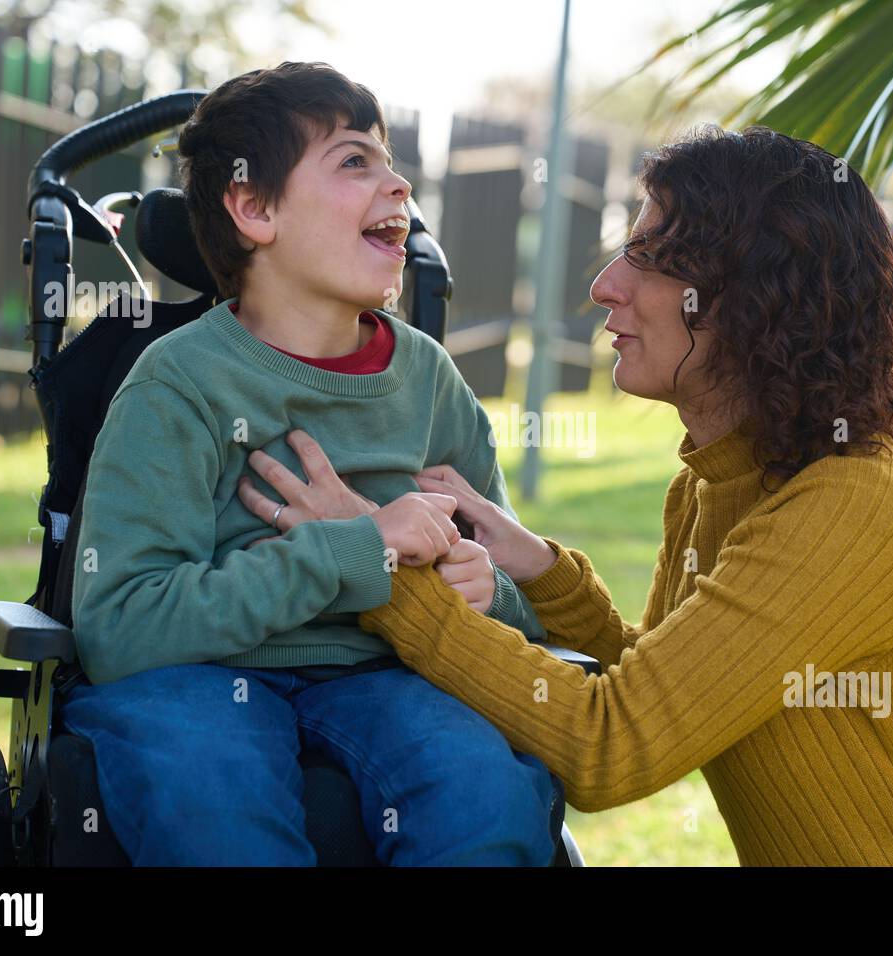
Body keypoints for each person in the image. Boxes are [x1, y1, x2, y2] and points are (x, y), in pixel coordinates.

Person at [247, 125, 893, 866]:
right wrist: (540, 571)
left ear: (753, 297)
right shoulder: (712, 486)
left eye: (648, 259)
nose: (605, 285)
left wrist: (376, 566)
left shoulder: (853, 505)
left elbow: (613, 745)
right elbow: (663, 680)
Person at [59, 61, 562, 866]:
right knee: (215, 804)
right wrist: (356, 552)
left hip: (387, 675)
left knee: (484, 795)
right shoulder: (179, 384)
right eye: (355, 160)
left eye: (391, 162)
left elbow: (507, 594)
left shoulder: (430, 380)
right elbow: (123, 630)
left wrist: (489, 590)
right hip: (197, 672)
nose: (398, 185)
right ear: (254, 207)